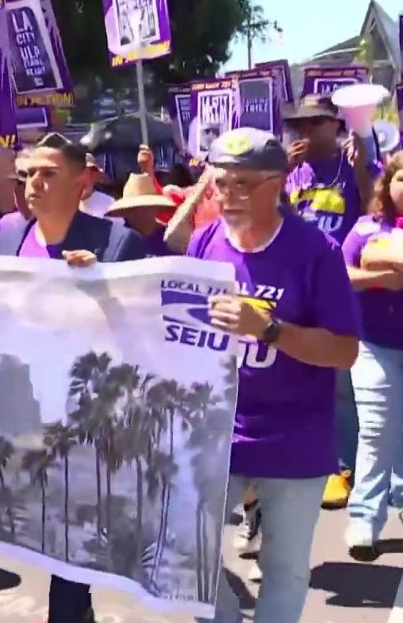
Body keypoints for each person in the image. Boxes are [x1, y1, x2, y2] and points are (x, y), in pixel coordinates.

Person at [186, 128, 360, 623]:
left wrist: (269, 330)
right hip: (216, 434)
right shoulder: (207, 240)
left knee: (283, 569)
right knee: (182, 550)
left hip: (295, 439)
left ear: (279, 182)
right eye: (220, 183)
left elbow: (345, 351)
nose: (228, 195)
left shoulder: (316, 251)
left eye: (244, 184)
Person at [0, 133, 145, 623]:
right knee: (43, 530)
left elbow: (143, 325)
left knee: (73, 534)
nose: (34, 183)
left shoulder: (116, 243)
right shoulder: (8, 239)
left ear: (82, 183)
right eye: (29, 173)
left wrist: (106, 286)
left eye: (49, 174)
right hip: (21, 409)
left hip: (86, 418)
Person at [282, 95, 381, 512]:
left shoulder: (354, 163)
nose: (306, 131)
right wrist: (282, 171)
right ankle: (322, 461)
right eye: (301, 124)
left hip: (342, 283)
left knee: (345, 382)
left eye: (316, 123)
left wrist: (360, 168)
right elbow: (277, 218)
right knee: (303, 374)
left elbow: (378, 208)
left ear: (334, 125)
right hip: (298, 282)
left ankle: (345, 468)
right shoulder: (292, 171)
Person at [339, 151, 403, 560]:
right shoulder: (365, 228)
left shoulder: (378, 239)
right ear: (389, 184)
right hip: (375, 345)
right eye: (402, 179)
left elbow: (378, 254)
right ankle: (364, 518)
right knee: (377, 431)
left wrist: (385, 255)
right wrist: (381, 275)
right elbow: (342, 274)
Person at [104, 173, 179, 256]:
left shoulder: (172, 238)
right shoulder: (117, 239)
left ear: (156, 208)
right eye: (131, 209)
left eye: (145, 207)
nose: (136, 213)